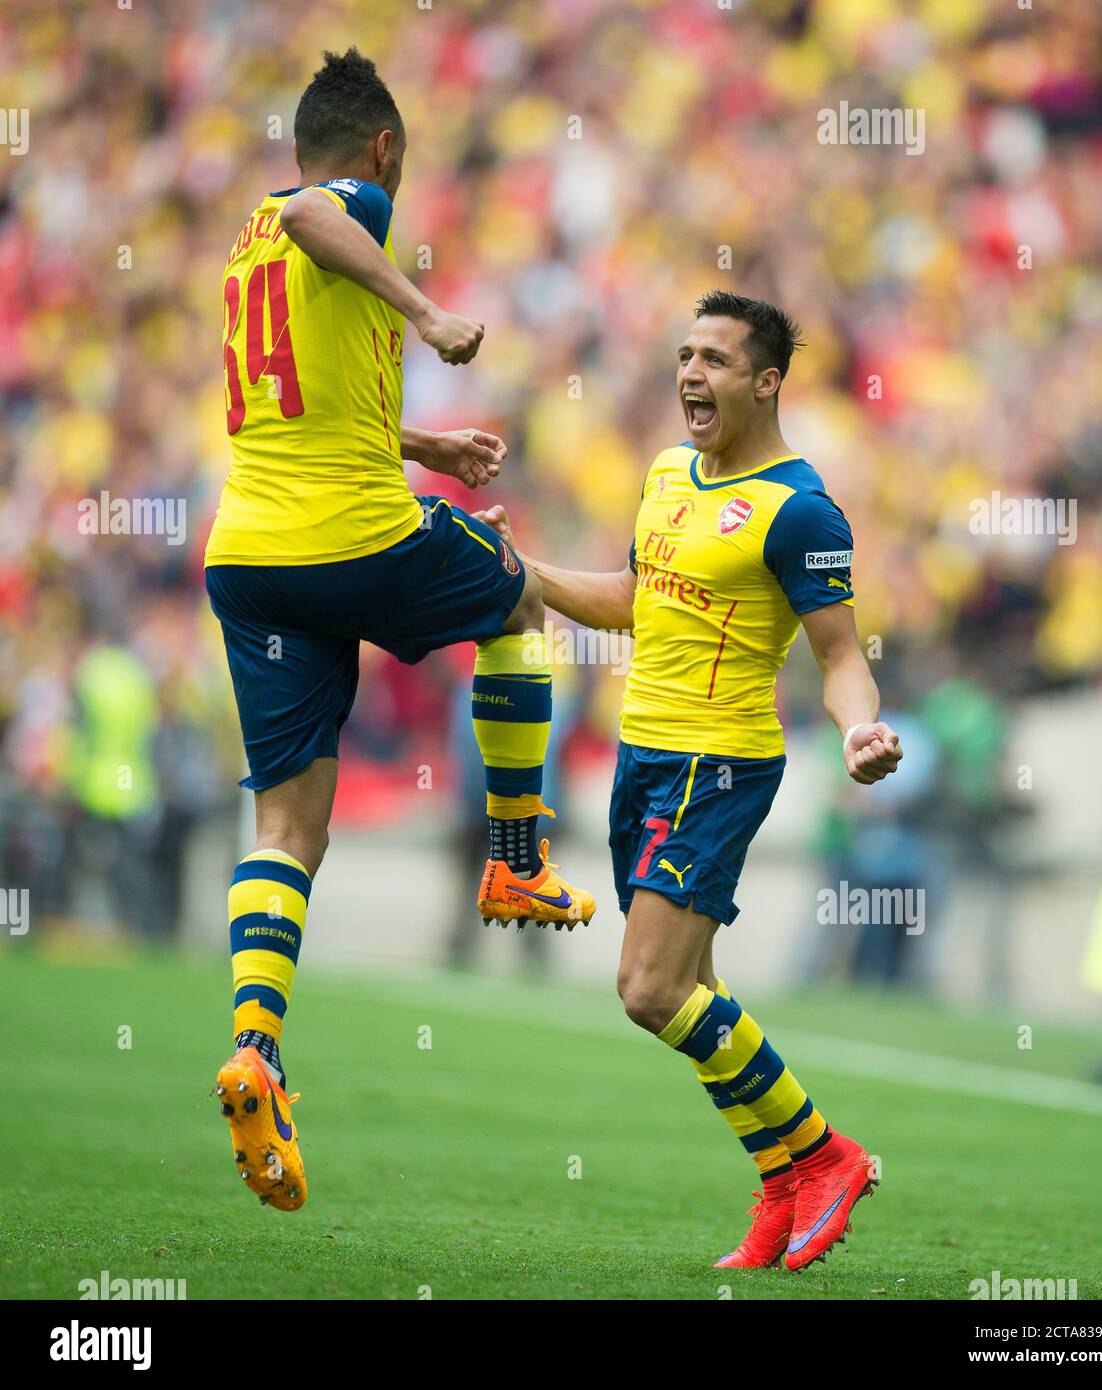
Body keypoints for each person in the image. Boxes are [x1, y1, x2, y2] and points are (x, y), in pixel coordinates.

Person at [204, 49, 595, 1212]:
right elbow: (325, 215)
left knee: (287, 829)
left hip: (250, 559)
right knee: (520, 598)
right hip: (352, 536)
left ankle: (255, 1052)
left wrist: (430, 447)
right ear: (382, 150)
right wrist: (425, 311)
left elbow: (299, 401)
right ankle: (517, 860)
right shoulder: (333, 206)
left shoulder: (243, 243)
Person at [475, 291, 902, 1271]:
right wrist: (521, 566)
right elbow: (631, 602)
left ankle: (827, 1156)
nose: (689, 374)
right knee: (694, 991)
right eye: (683, 354)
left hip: (718, 761)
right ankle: (780, 1178)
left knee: (648, 986)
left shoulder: (802, 511)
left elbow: (839, 655)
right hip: (640, 756)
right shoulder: (667, 473)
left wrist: (861, 727)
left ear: (765, 381)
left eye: (713, 358)